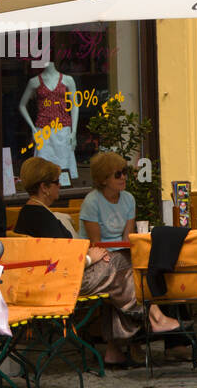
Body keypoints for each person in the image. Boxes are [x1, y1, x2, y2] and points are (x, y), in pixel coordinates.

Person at [78, 151, 181, 365]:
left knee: (130, 272)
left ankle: (114, 350)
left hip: (119, 260)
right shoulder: (92, 202)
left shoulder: (128, 199)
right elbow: (97, 244)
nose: (124, 177)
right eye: (118, 174)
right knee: (131, 273)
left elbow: (127, 238)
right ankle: (154, 316)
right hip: (95, 261)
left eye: (125, 173)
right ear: (103, 179)